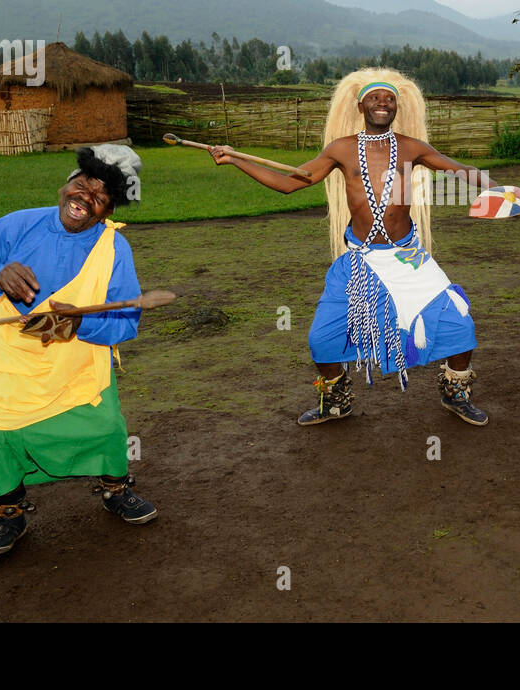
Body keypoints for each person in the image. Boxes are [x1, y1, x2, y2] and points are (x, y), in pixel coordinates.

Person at [210, 68, 497, 426]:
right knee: (322, 339)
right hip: (359, 261)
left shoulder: (410, 147)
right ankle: (336, 399)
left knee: (460, 325)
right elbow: (289, 184)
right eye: (375, 97)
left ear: (396, 107)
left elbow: (458, 169)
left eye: (389, 99)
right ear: (361, 105)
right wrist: (237, 159)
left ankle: (455, 392)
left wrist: (496, 189)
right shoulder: (342, 149)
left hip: (407, 257)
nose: (382, 103)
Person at [0, 144, 156, 557]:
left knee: (106, 424)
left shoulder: (114, 250)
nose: (84, 200)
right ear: (66, 184)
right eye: (81, 186)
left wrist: (80, 322)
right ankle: (9, 513)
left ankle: (115, 490)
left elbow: (127, 322)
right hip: (14, 358)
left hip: (79, 357)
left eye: (99, 198)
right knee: (6, 431)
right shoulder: (16, 226)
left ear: (107, 210)